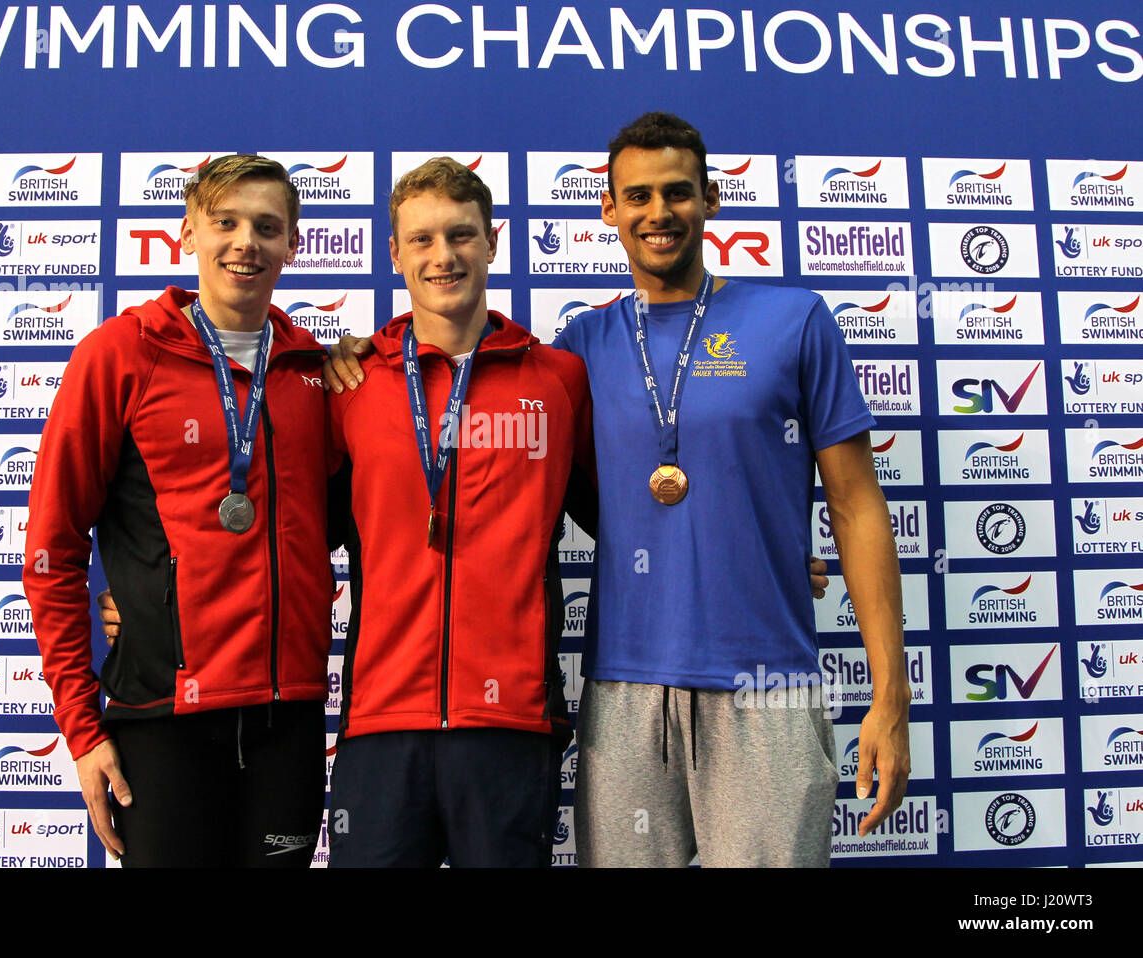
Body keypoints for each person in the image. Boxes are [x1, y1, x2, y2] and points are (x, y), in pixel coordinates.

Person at [552, 111, 910, 866]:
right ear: (608, 209)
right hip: (624, 691)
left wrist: (890, 694)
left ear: (711, 199)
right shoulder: (578, 348)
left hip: (767, 684)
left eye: (677, 192)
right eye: (638, 196)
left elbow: (855, 504)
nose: (658, 213)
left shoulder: (795, 319)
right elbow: (564, 492)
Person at [23, 154, 337, 867]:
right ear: (187, 233)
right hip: (160, 722)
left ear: (294, 242)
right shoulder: (119, 355)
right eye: (224, 222)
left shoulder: (313, 371)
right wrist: (80, 728)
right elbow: (52, 554)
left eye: (266, 226)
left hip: (284, 723)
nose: (245, 243)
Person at [324, 157, 595, 867]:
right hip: (381, 719)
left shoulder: (558, 380)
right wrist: (150, 603)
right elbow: (287, 528)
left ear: (493, 241)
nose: (443, 256)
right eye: (422, 239)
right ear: (395, 252)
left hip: (510, 721)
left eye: (462, 235)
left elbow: (631, 516)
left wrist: (764, 558)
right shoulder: (351, 383)